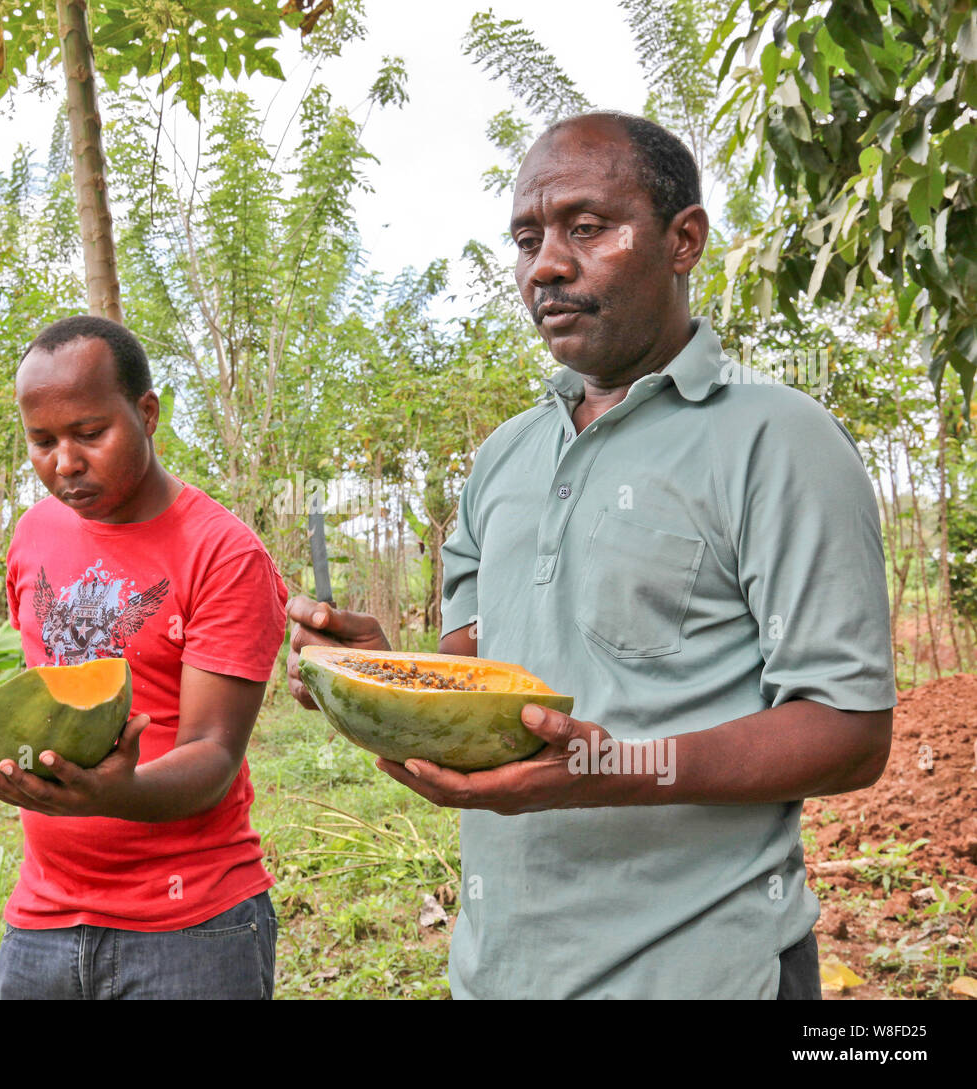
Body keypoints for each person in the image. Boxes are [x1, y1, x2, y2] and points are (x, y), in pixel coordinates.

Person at [287, 112, 895, 999]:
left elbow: (849, 733)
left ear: (684, 240)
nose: (546, 265)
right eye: (528, 238)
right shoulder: (503, 458)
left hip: (701, 974)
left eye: (587, 227)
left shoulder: (779, 441)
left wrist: (615, 770)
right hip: (497, 971)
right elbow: (483, 671)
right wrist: (384, 676)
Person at [0, 315, 288, 999]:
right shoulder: (35, 534)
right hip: (43, 921)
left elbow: (213, 751)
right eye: (43, 440)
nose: (65, 461)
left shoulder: (224, 554)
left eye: (89, 433)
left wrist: (118, 793)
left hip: (192, 928)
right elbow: (34, 705)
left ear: (146, 413)